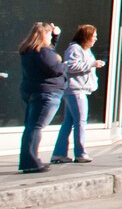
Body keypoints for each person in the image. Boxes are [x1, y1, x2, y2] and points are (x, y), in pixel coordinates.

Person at [51, 24, 105, 164]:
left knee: (68, 122)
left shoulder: (84, 49)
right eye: (93, 37)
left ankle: (59, 153)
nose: (95, 39)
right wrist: (92, 64)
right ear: (85, 37)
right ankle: (80, 153)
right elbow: (70, 66)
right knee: (80, 121)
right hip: (76, 90)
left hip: (77, 89)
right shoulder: (75, 49)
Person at [18, 22, 66, 173]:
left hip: (33, 91)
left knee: (31, 127)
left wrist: (56, 35)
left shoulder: (29, 50)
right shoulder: (42, 51)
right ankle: (31, 162)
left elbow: (49, 55)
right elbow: (55, 67)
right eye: (49, 34)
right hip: (47, 93)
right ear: (43, 35)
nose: (51, 37)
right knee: (36, 127)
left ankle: (28, 161)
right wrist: (65, 65)